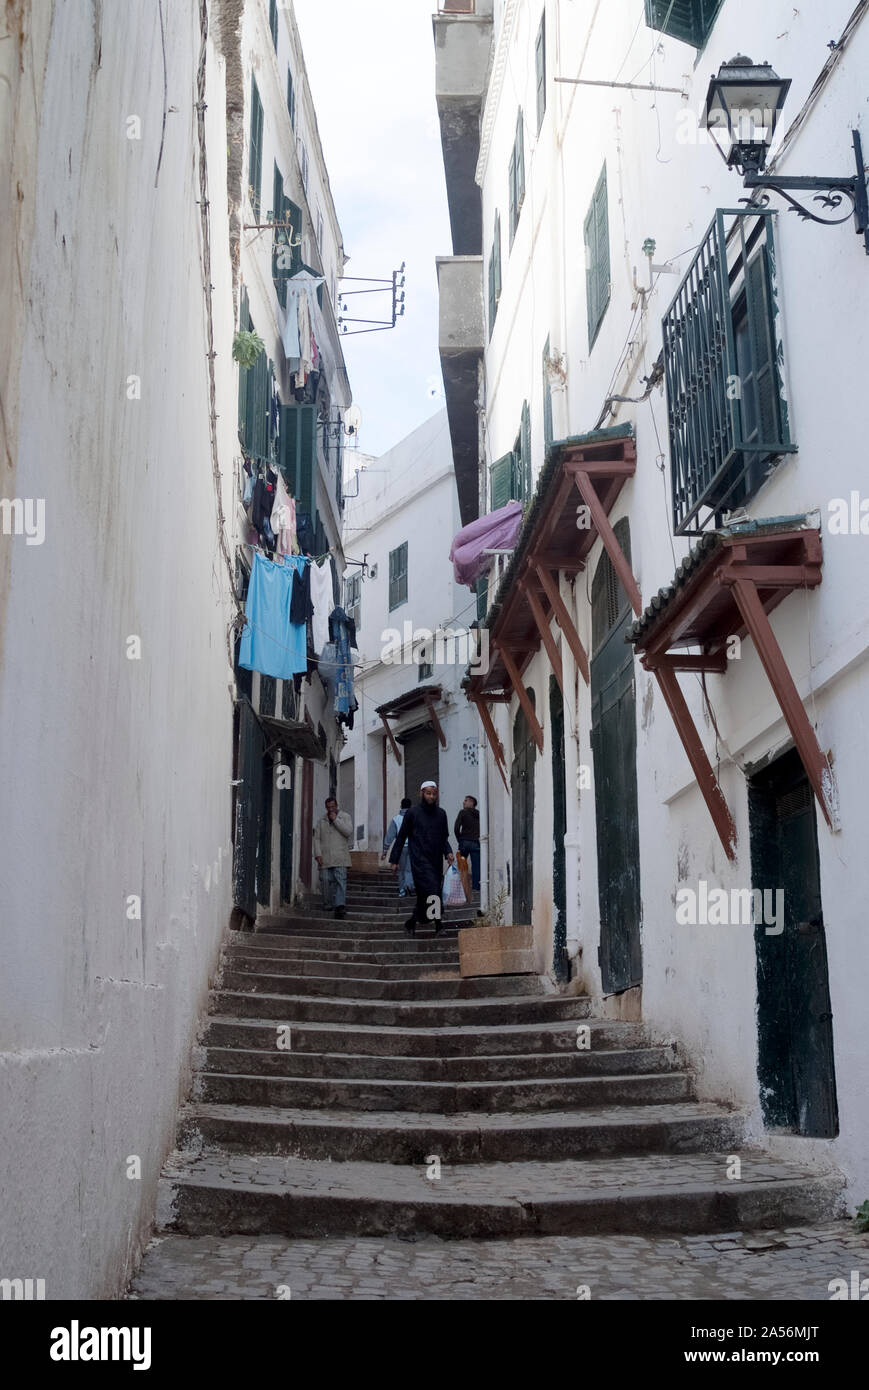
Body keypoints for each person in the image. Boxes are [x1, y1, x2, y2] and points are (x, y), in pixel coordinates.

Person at [389, 781, 454, 937]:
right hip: (419, 861)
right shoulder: (412, 813)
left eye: (434, 794)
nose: (431, 797)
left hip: (435, 861)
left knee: (426, 896)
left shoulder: (441, 814)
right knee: (433, 891)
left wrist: (448, 852)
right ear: (421, 794)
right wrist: (394, 860)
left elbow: (443, 838)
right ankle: (438, 926)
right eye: (428, 793)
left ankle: (411, 922)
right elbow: (401, 836)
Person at [313, 796, 353, 919]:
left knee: (341, 881)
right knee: (325, 880)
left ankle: (340, 906)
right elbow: (317, 839)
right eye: (328, 807)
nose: (331, 809)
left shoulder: (345, 817)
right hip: (325, 857)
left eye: (333, 807)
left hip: (340, 856)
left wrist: (336, 820)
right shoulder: (321, 820)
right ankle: (327, 904)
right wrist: (318, 854)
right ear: (326, 807)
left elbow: (348, 832)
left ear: (336, 806)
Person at [382, 797, 414, 896]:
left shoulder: (396, 819)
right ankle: (409, 886)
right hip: (413, 847)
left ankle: (402, 890)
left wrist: (385, 850)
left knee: (401, 870)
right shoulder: (415, 817)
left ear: (401, 806)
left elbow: (390, 836)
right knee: (410, 869)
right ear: (411, 806)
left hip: (401, 848)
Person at [454, 794, 481, 893]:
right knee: (476, 867)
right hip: (476, 843)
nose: (463, 802)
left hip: (464, 842)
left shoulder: (463, 812)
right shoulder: (479, 814)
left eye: (466, 800)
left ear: (472, 803)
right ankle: (476, 888)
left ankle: (461, 886)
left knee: (462, 865)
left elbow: (456, 828)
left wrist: (460, 839)